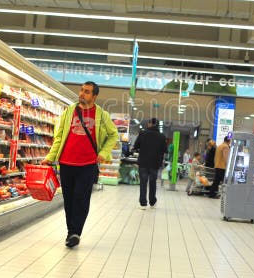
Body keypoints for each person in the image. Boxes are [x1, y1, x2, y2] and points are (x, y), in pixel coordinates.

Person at [42, 81, 119, 248]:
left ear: (94, 96)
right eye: (82, 90)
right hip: (66, 162)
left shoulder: (101, 115)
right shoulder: (69, 111)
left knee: (81, 198)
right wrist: (50, 157)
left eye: (87, 92)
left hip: (88, 164)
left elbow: (114, 135)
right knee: (68, 199)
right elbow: (60, 136)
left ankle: (76, 232)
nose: (82, 94)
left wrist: (103, 153)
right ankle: (71, 232)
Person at [132, 118, 167, 209]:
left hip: (143, 162)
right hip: (155, 163)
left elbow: (136, 146)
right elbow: (164, 150)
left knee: (143, 182)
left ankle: (143, 203)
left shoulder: (143, 133)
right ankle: (152, 201)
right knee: (152, 182)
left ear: (150, 124)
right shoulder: (162, 136)